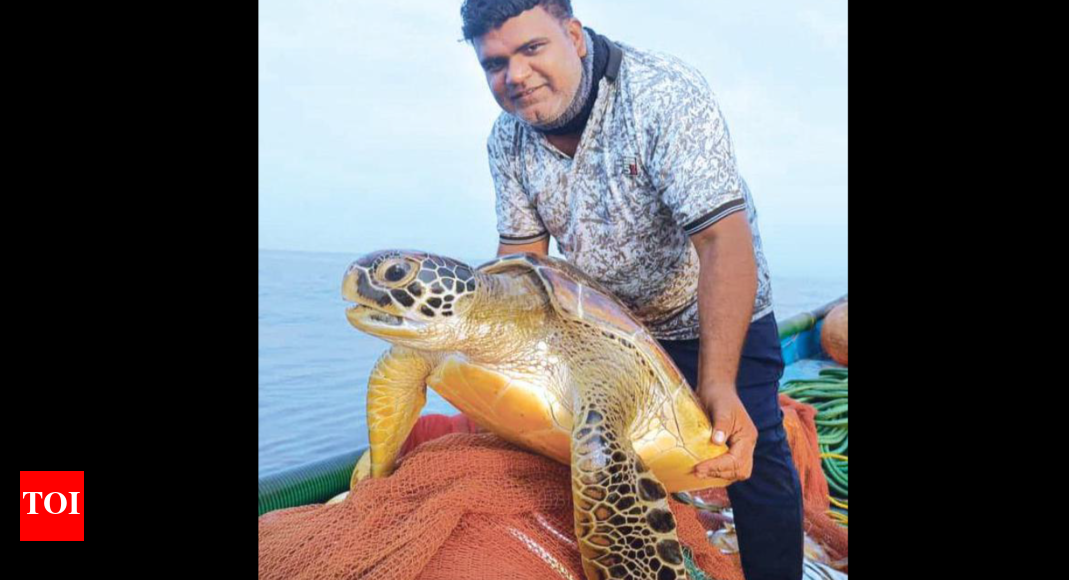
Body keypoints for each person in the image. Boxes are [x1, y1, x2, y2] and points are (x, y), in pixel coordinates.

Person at [462, 1, 803, 578]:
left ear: (572, 34)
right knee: (602, 457)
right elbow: (521, 264)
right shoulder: (506, 140)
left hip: (711, 308)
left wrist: (717, 382)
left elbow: (725, 243)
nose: (514, 76)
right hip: (610, 330)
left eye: (531, 49)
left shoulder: (661, 95)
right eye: (495, 63)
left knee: (750, 453)